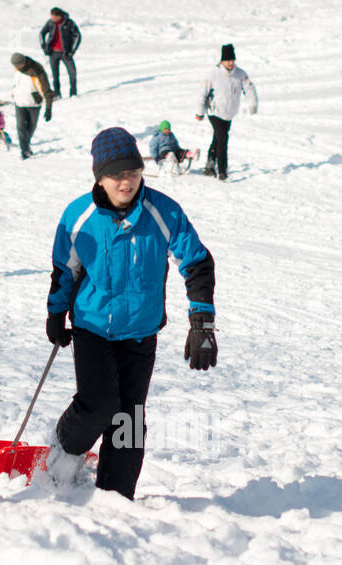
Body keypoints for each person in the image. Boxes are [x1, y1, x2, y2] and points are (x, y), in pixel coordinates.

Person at [44, 127, 216, 500]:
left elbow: (198, 263)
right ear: (99, 177)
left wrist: (202, 322)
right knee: (99, 406)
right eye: (117, 175)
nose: (126, 182)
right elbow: (65, 270)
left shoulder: (162, 211)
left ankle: (115, 497)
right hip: (92, 327)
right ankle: (62, 450)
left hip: (140, 332)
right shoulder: (79, 216)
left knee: (129, 420)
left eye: (133, 173)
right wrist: (56, 314)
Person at [195, 43, 257, 181]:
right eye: (228, 60)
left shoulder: (240, 74)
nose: (230, 63)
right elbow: (202, 94)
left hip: (229, 114)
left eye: (232, 60)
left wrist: (252, 104)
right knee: (223, 139)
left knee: (218, 139)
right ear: (222, 60)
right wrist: (200, 112)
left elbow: (249, 88)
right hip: (214, 112)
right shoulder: (213, 75)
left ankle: (209, 166)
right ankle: (222, 171)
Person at [9, 53, 54, 160]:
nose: (15, 67)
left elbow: (47, 91)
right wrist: (14, 92)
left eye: (17, 65)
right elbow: (17, 83)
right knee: (20, 127)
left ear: (23, 63)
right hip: (19, 102)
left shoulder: (37, 71)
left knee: (30, 128)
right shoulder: (17, 70)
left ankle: (26, 145)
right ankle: (25, 150)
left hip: (33, 104)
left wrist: (48, 109)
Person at [39, 7, 81, 98]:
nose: (51, 18)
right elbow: (41, 33)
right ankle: (57, 93)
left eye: (53, 16)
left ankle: (73, 93)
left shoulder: (69, 23)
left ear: (59, 16)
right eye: (51, 16)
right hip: (53, 53)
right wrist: (44, 47)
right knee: (55, 75)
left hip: (66, 53)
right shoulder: (50, 23)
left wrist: (72, 51)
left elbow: (77, 36)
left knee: (72, 73)